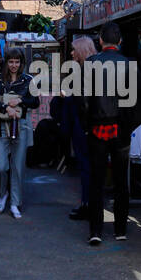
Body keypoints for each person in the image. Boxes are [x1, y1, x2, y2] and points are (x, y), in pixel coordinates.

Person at [83, 22, 132, 245]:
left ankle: (96, 231)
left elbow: (84, 101)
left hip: (96, 129)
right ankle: (120, 229)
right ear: (120, 41)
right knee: (122, 181)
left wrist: (87, 125)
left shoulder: (91, 63)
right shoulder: (128, 64)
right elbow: (132, 102)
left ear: (100, 41)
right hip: (120, 130)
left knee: (97, 181)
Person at [0, 48, 39, 218]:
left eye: (17, 62)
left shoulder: (28, 80)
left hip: (21, 126)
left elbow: (35, 101)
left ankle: (15, 202)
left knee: (17, 166)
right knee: (1, 166)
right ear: (6, 62)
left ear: (21, 63)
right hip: (1, 125)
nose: (14, 65)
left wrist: (21, 100)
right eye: (11, 61)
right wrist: (5, 107)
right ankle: (3, 194)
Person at [61, 35, 97, 220]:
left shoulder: (85, 71)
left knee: (86, 167)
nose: (72, 52)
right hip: (86, 126)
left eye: (75, 49)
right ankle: (88, 203)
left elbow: (84, 101)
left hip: (84, 127)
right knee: (87, 168)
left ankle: (88, 204)